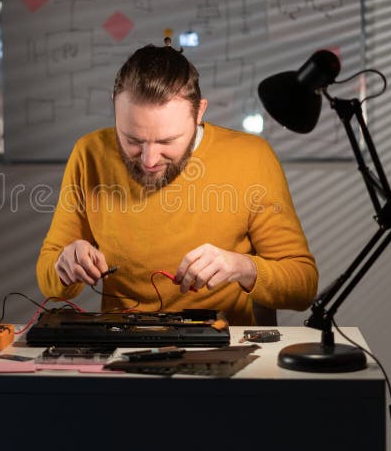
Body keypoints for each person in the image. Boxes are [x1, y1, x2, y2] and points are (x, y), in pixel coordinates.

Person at [36, 40, 317, 325]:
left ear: (199, 113)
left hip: (221, 348)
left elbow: (303, 286)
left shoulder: (252, 157)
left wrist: (242, 267)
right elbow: (50, 280)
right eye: (132, 139)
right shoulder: (90, 153)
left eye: (167, 141)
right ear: (114, 106)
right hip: (121, 346)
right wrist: (65, 266)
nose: (148, 159)